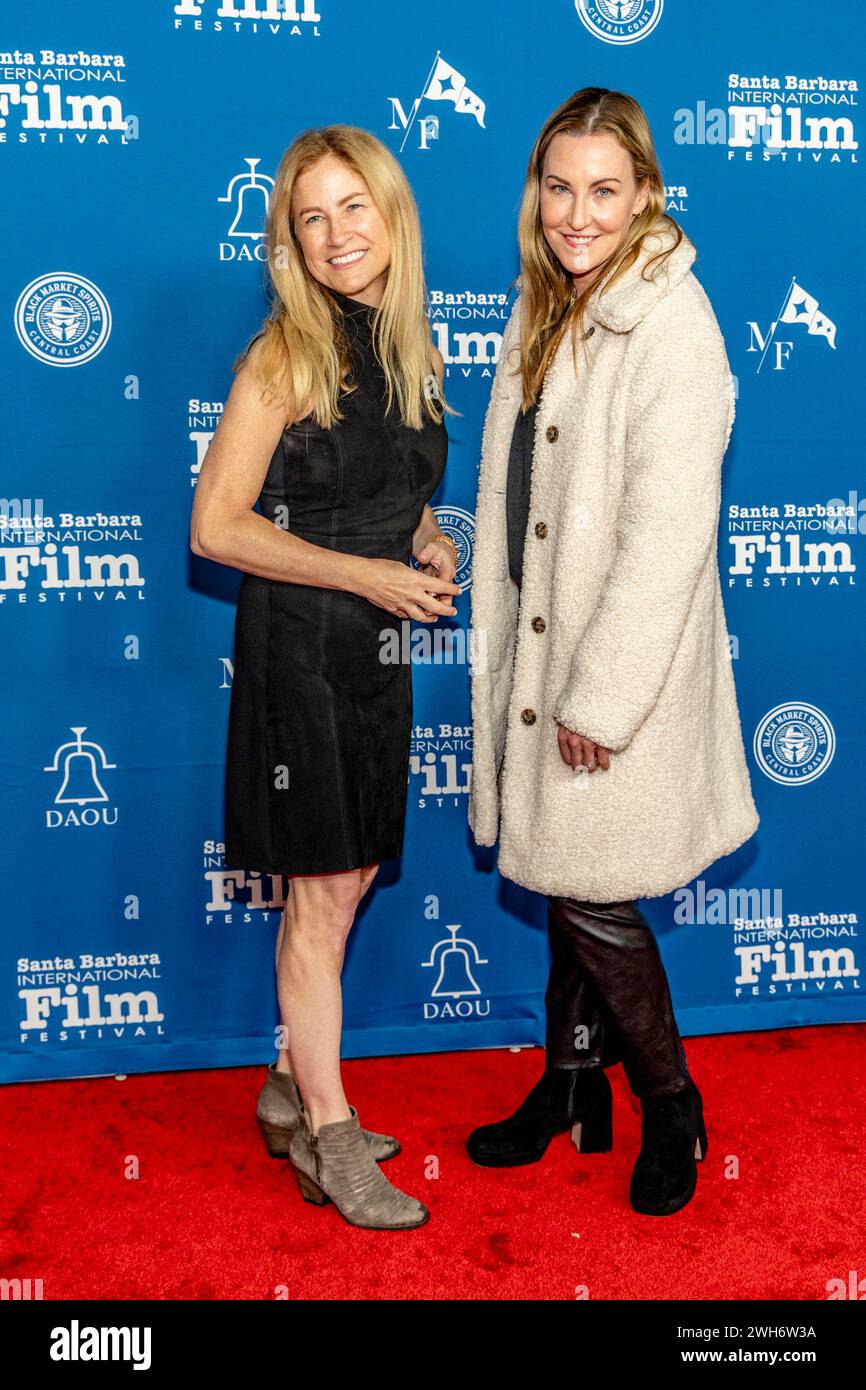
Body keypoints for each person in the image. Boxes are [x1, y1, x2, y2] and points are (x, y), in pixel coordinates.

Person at [466, 88, 760, 1217]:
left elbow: (666, 534)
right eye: (556, 187)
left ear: (645, 194)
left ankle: (669, 1100)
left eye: (602, 190)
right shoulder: (550, 307)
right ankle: (568, 1086)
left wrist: (602, 694)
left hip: (604, 675)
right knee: (558, 876)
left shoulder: (670, 324)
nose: (574, 214)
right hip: (544, 656)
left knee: (590, 893)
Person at [190, 125, 461, 1231]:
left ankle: (286, 1082)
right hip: (300, 651)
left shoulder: (410, 349)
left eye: (354, 207)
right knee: (316, 897)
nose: (336, 234)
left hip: (375, 654)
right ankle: (331, 1137)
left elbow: (399, 491)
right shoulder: (281, 356)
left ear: (391, 216)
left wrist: (428, 535)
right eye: (312, 216)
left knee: (344, 884)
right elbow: (212, 525)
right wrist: (365, 571)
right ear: (288, 242)